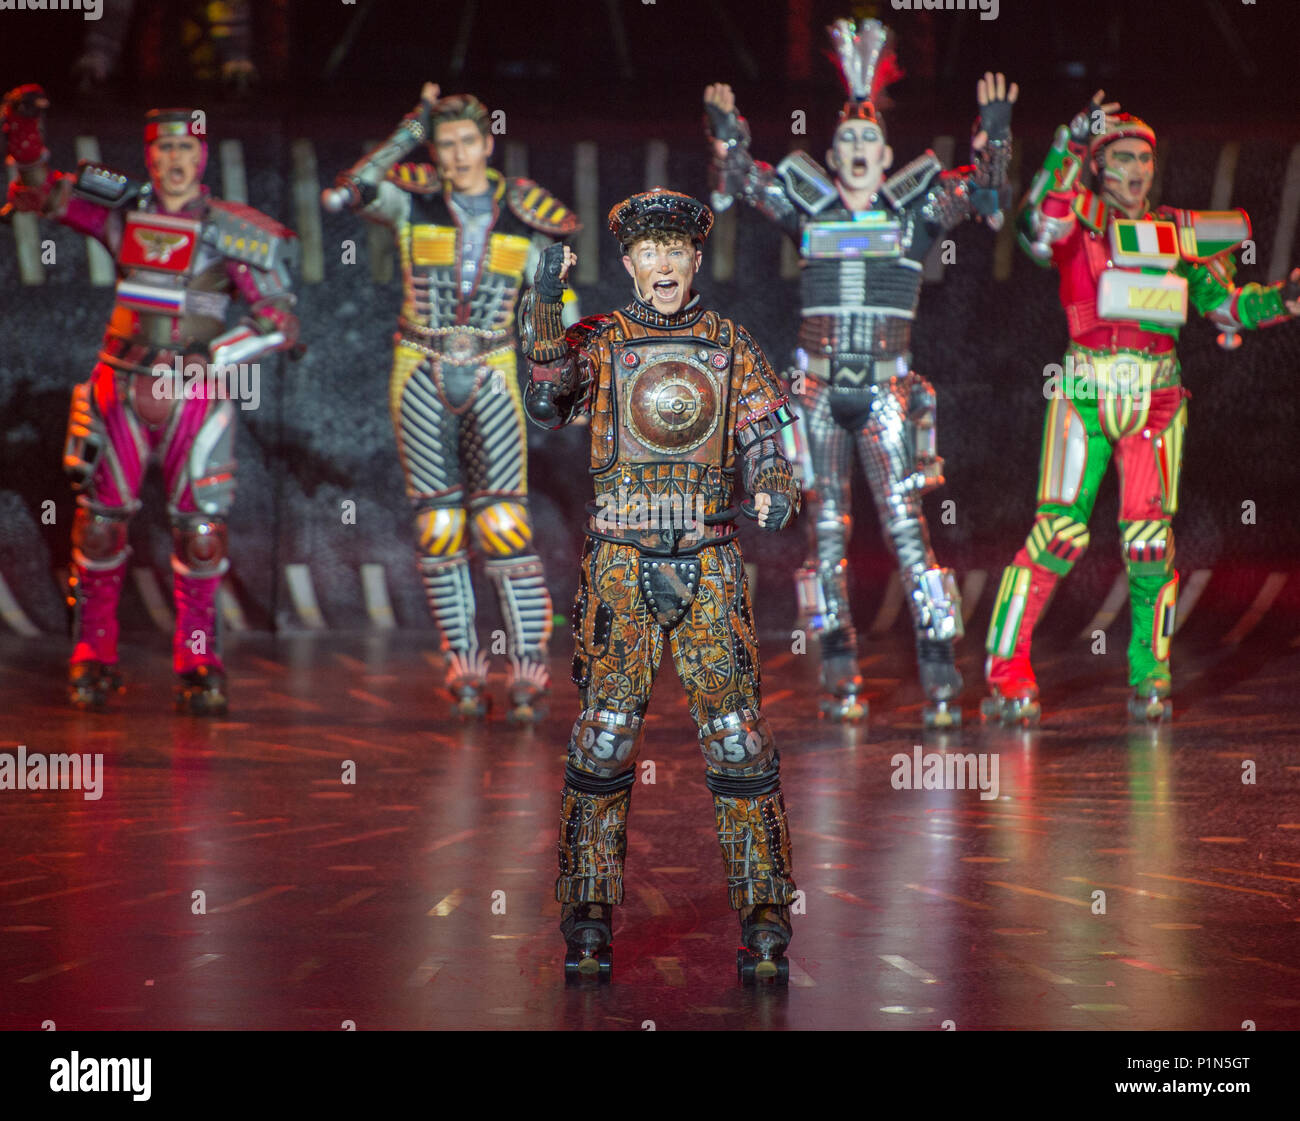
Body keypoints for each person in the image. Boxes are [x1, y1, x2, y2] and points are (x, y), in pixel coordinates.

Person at [522, 189, 802, 983]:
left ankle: (765, 913)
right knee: (607, 734)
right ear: (631, 264)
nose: (665, 264)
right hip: (622, 558)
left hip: (709, 556)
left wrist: (775, 482)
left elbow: (764, 436)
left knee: (738, 737)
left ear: (694, 259)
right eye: (650, 253)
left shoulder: (728, 342)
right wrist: (546, 302)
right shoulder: (603, 339)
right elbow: (549, 397)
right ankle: (586, 914)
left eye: (677, 251)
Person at [704, 18, 1017, 727]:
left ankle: (939, 658)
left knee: (909, 526)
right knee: (828, 532)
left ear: (885, 156)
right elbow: (740, 184)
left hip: (886, 390)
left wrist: (993, 134)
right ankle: (838, 658)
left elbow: (986, 196)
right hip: (814, 388)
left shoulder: (913, 216)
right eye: (844, 139)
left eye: (867, 141)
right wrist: (726, 132)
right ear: (832, 151)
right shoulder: (808, 211)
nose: (854, 149)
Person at [982, 91, 1300, 726]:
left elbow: (1225, 306)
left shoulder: (1177, 234)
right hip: (1085, 394)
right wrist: (1064, 146)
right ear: (1100, 166)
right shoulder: (1079, 219)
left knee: (1151, 544)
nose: (1134, 169)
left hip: (1156, 401)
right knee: (1057, 535)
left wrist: (1283, 302)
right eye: (1121, 157)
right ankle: (1005, 669)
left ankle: (1149, 672)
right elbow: (1035, 230)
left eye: (1143, 159)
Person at [3, 85, 299, 715]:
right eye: (164, 148)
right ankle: (92, 657)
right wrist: (24, 135)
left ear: (202, 155)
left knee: (202, 537)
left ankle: (199, 662)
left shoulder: (231, 231)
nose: (174, 160)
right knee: (102, 528)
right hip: (121, 384)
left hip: (197, 392)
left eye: (185, 148)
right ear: (148, 153)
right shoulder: (123, 210)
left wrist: (214, 357)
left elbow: (279, 320)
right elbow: (39, 191)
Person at [323, 83, 579, 722]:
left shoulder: (529, 210)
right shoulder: (414, 200)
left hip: (493, 364)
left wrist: (564, 368)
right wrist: (410, 127)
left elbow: (553, 300)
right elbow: (343, 193)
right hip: (420, 364)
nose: (459, 155)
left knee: (503, 523)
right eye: (446, 144)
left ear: (487, 142)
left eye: (468, 141)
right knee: (439, 525)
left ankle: (527, 670)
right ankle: (463, 667)